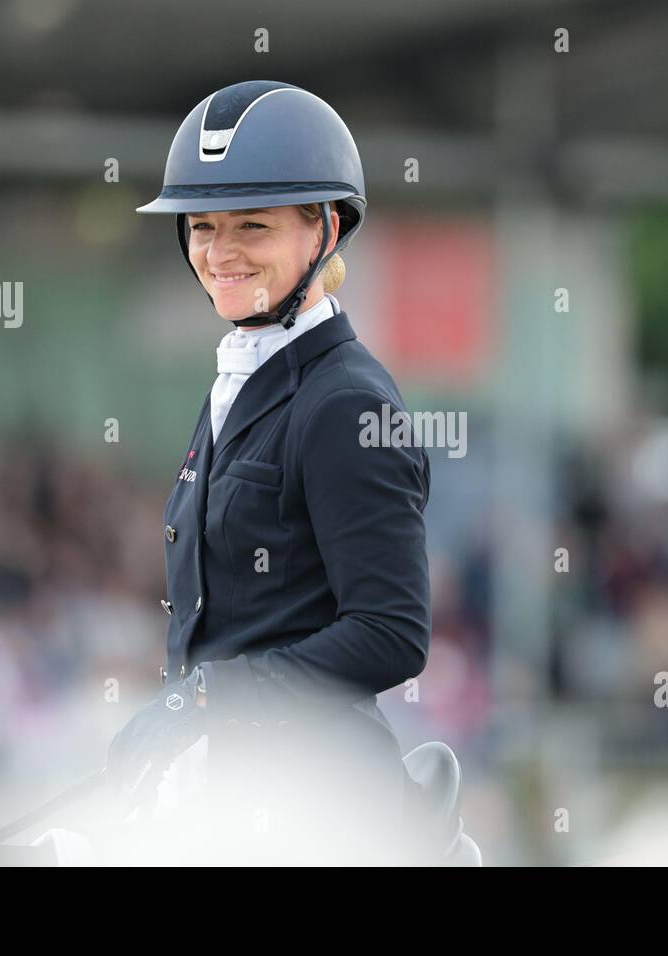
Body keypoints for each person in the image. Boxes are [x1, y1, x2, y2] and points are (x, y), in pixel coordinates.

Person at [106, 80, 434, 864]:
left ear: (323, 228)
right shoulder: (239, 380)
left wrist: (214, 696)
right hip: (222, 790)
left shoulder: (346, 402)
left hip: (319, 804)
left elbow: (391, 633)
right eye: (203, 226)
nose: (221, 252)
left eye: (252, 225)